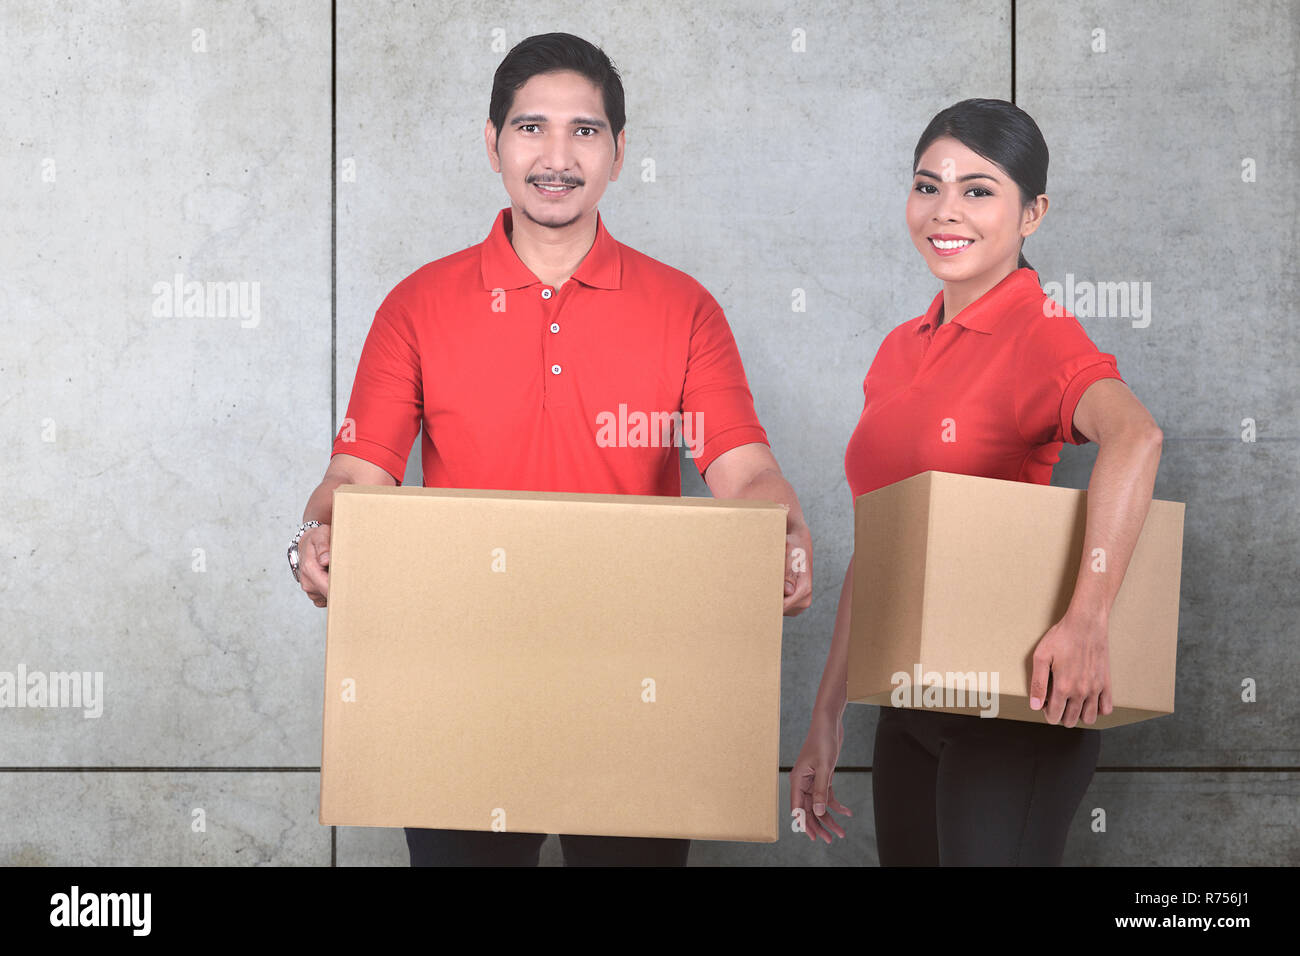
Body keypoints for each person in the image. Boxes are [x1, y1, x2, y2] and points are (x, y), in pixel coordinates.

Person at [290, 33, 813, 866]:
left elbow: (742, 468)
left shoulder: (686, 309)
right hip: (459, 674)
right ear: (492, 142)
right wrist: (316, 538)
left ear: (619, 152)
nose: (558, 156)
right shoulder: (416, 304)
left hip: (636, 673)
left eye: (586, 131)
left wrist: (781, 528)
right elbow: (357, 475)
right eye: (532, 128)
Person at [790, 98, 1164, 865]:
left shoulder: (1041, 329)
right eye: (928, 186)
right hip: (911, 705)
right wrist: (826, 716)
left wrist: (1088, 620)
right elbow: (880, 542)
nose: (944, 211)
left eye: (979, 190)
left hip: (1015, 706)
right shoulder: (899, 348)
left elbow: (1137, 436)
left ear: (1033, 214)